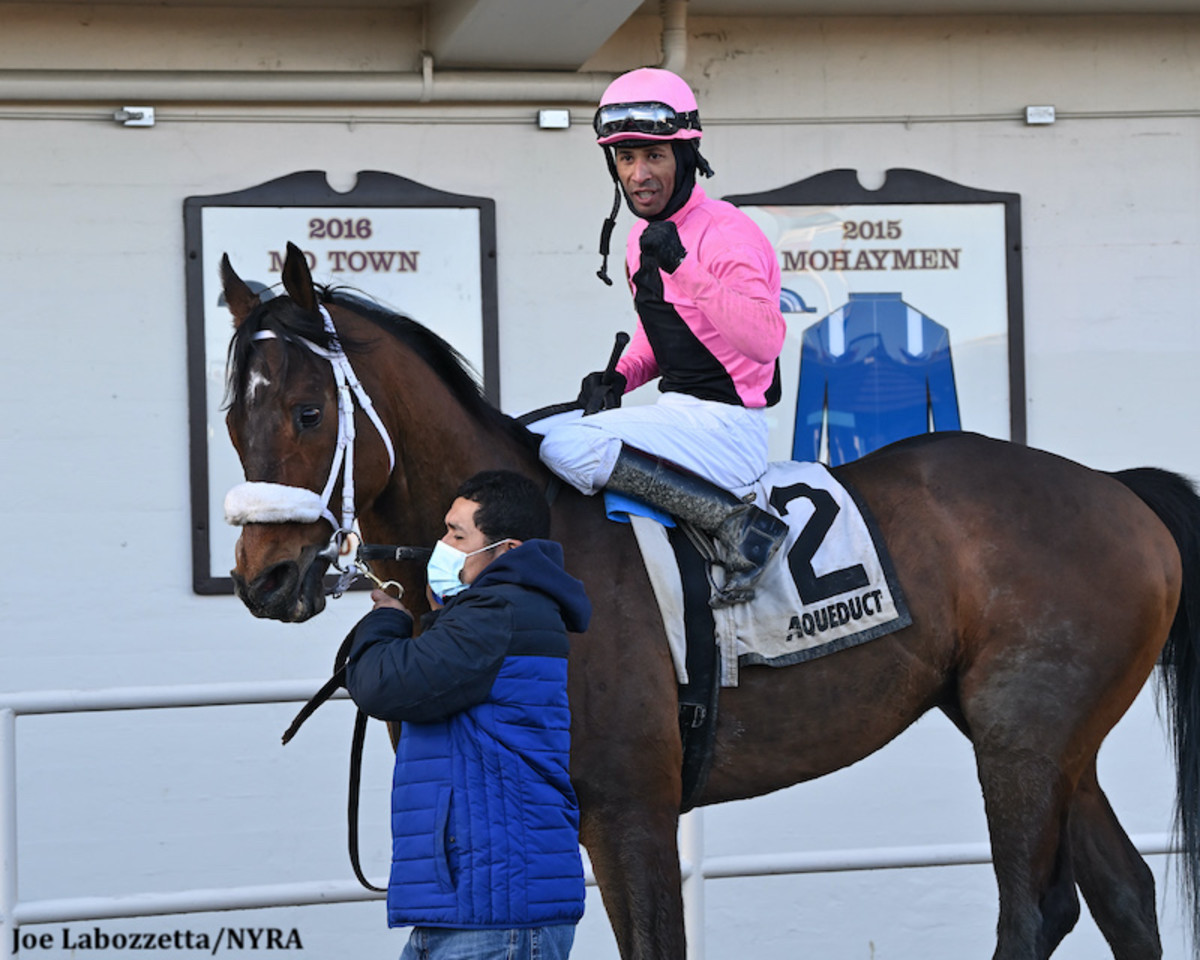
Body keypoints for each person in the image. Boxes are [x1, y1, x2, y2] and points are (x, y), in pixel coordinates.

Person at [536, 66, 789, 606]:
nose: (639, 173)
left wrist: (685, 266)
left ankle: (742, 527)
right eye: (626, 158)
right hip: (681, 413)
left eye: (654, 156)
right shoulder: (637, 240)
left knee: (564, 445)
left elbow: (766, 341)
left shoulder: (727, 233)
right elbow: (665, 336)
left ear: (687, 158)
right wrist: (619, 376)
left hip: (727, 427)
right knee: (535, 430)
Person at [343, 469, 591, 960]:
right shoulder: (503, 612)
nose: (443, 545)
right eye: (445, 531)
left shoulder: (498, 614)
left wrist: (387, 621)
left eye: (458, 535)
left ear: (506, 550)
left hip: (496, 917)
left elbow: (380, 685)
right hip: (477, 908)